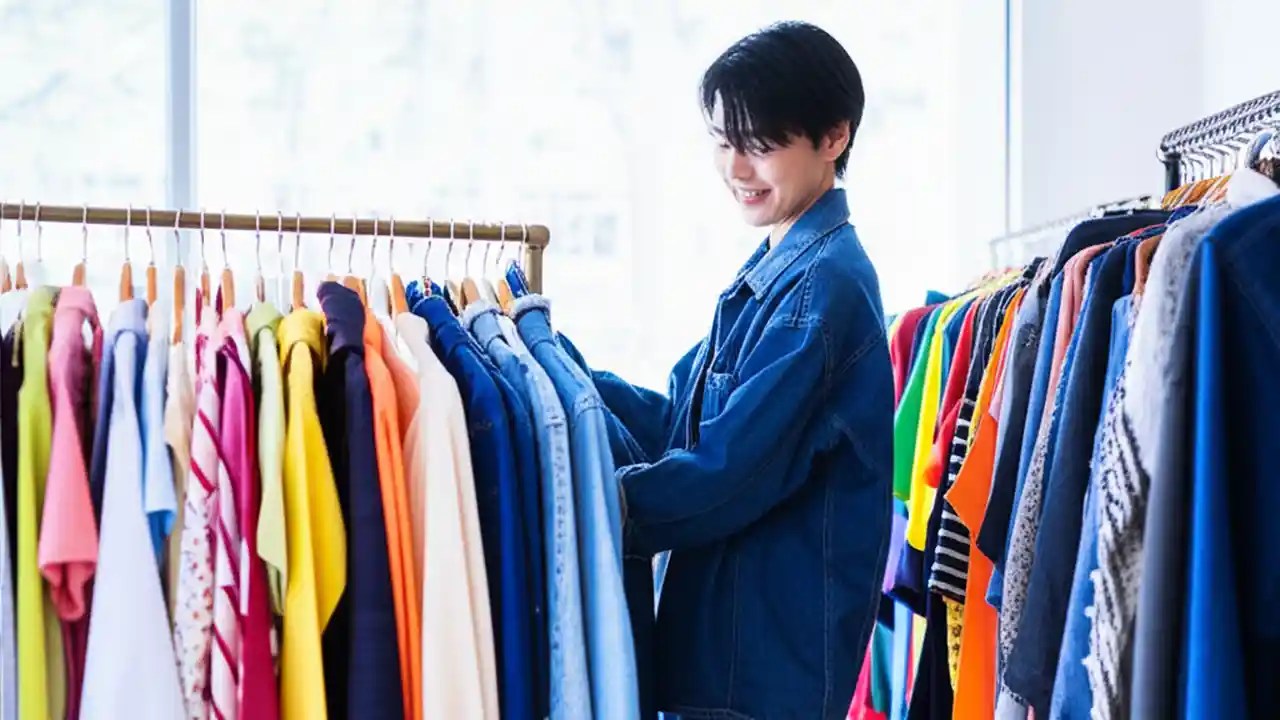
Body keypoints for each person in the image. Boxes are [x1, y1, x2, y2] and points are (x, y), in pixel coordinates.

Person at [575, 20, 894, 720]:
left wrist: (580, 501)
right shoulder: (779, 273)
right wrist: (564, 378)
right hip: (720, 668)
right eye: (724, 142)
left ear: (834, 137)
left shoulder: (823, 294)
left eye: (761, 144)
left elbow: (725, 472)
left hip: (758, 682)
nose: (736, 169)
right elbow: (680, 422)